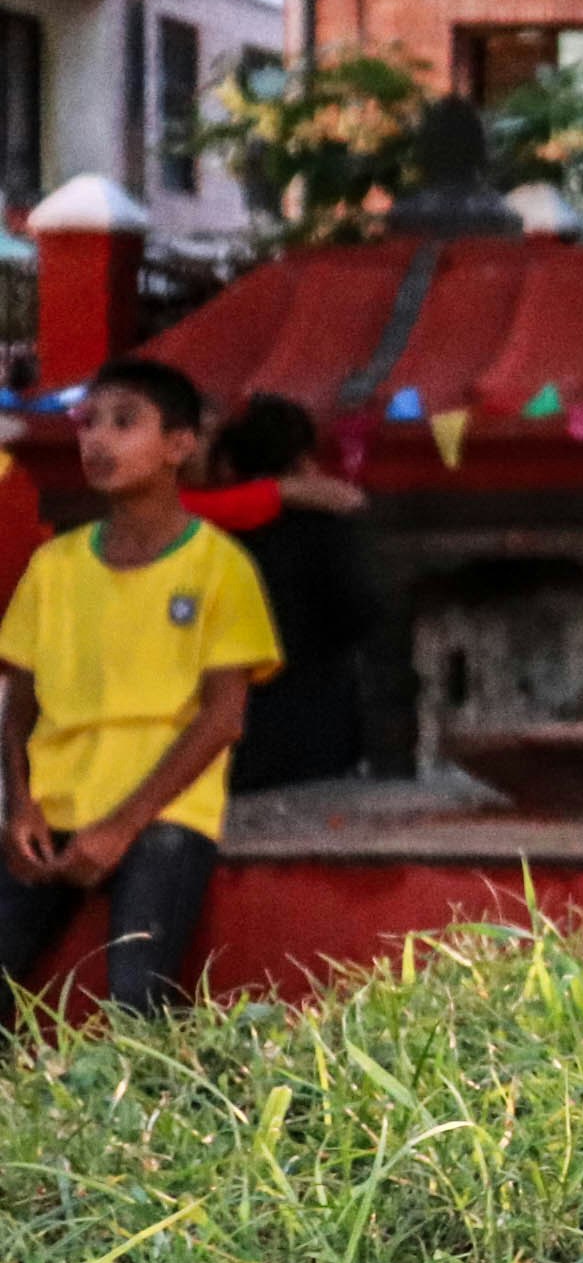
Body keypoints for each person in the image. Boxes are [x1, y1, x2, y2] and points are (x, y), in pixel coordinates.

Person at [0, 357, 282, 1015]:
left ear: (179, 446)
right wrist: (19, 809)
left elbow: (223, 719)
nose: (97, 440)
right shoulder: (55, 565)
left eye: (124, 423)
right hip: (53, 812)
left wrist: (121, 826)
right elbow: (20, 706)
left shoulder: (220, 567)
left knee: (137, 999)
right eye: (89, 423)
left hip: (162, 816)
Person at [204, 395, 382, 794]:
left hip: (221, 716)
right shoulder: (323, 522)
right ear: (304, 457)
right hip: (313, 713)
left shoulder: (201, 529)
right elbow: (358, 610)